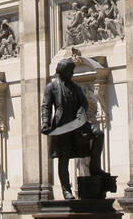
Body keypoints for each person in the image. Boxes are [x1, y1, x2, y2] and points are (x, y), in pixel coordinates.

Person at [40, 58, 110, 200]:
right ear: (63, 71)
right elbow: (46, 106)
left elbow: (84, 102)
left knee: (99, 134)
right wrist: (45, 122)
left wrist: (81, 111)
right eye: (70, 71)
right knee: (63, 158)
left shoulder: (75, 87)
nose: (72, 73)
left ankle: (94, 167)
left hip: (78, 124)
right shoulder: (52, 87)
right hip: (62, 126)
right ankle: (66, 190)